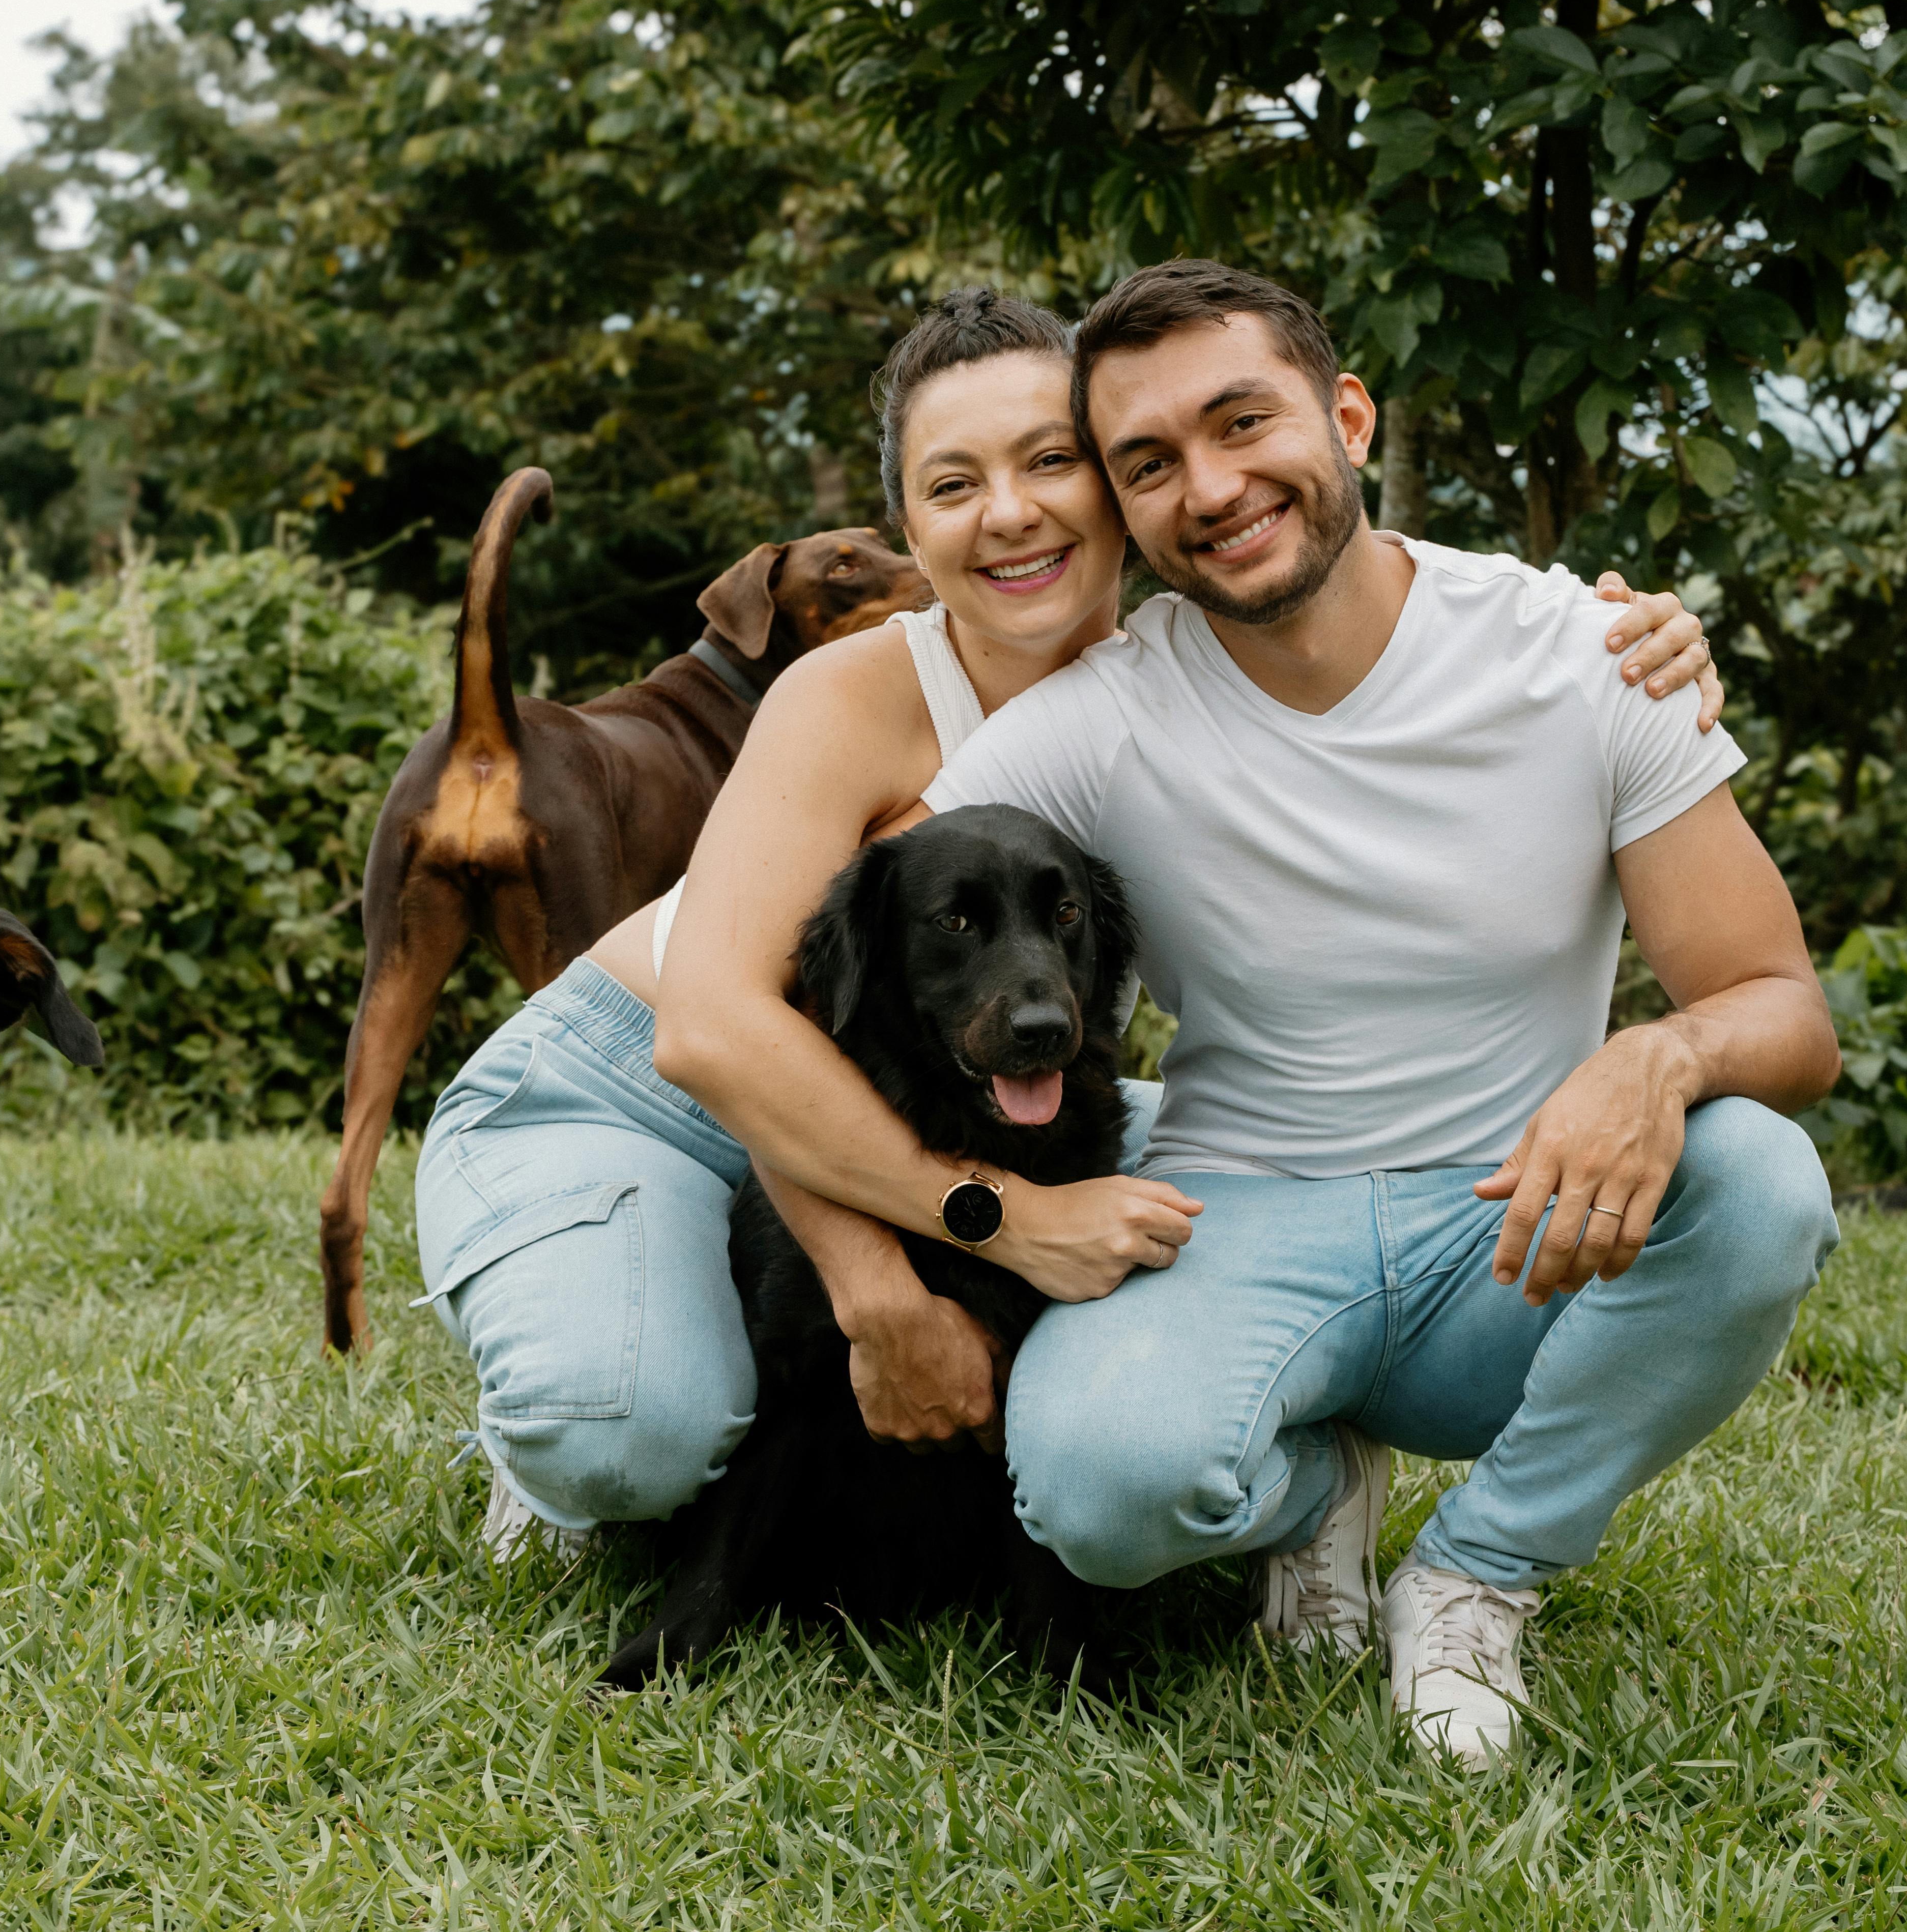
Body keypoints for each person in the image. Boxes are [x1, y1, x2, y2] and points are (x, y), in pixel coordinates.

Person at [658, 261, 1841, 1768]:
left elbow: (1784, 1010)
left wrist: (1659, 1054)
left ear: (1348, 417)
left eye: (1243, 424)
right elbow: (838, 964)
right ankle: (1302, 1494)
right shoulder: (1096, 718)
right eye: (1149, 463)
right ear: (1131, 513)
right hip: (1241, 1231)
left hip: (1510, 1234)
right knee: (1095, 1492)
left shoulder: (1584, 654)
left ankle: (1478, 1576)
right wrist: (890, 1265)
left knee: (1756, 1182)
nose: (1209, 487)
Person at [410, 289, 1723, 1575]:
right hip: (643, 1084)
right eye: (952, 483)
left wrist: (1629, 642)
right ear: (906, 529)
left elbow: (1404, 631)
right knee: (633, 1434)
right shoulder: (852, 697)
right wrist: (917, 1275)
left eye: (1053, 461)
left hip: (934, 1099)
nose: (1012, 512)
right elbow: (730, 1039)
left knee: (1220, 1175)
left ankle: (1303, 1461)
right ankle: (575, 1417)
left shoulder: (1201, 659)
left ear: (1123, 484)